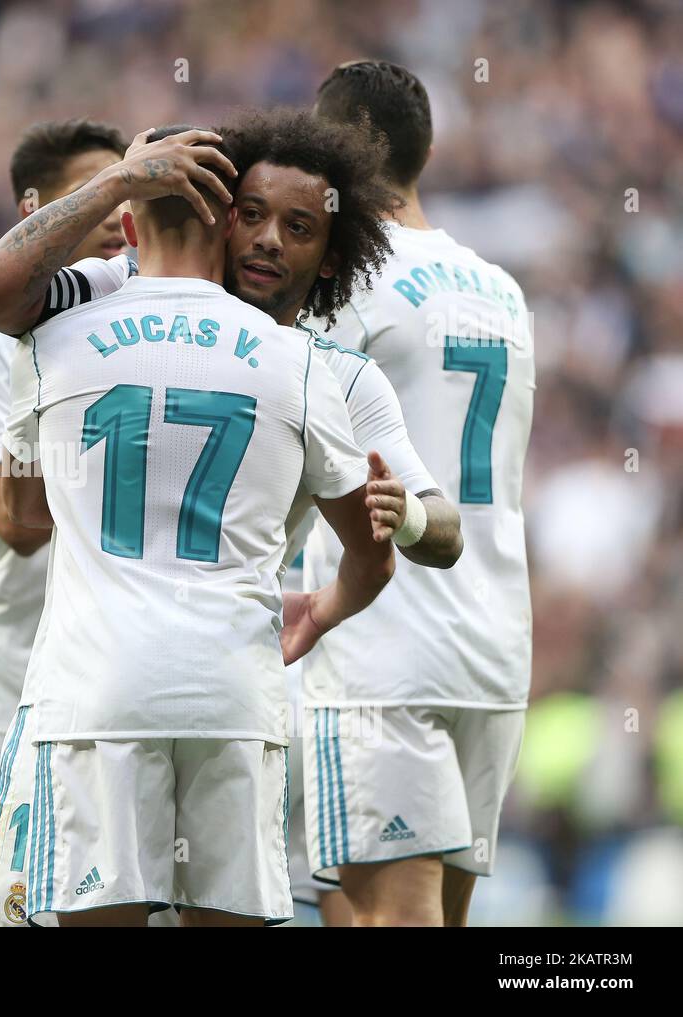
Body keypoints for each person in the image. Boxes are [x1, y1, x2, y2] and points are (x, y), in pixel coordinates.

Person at [0, 111, 464, 925]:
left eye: (294, 226)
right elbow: (372, 552)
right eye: (258, 216)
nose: (267, 240)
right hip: (234, 691)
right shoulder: (305, 365)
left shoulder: (59, 329)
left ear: (125, 223)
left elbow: (23, 513)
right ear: (228, 218)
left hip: (96, 689)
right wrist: (322, 610)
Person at [306, 60, 535, 926]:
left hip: (384, 648)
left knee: (389, 920)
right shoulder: (503, 292)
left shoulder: (342, 278)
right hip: (492, 643)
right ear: (427, 149)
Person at [0, 119, 127, 906]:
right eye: (93, 192)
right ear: (35, 211)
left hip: (123, 673)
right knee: (5, 901)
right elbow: (18, 525)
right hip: (16, 672)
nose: (118, 212)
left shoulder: (155, 324)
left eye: (128, 189)